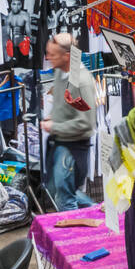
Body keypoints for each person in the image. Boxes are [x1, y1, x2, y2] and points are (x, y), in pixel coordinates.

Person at [43, 33, 97, 210]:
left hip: (72, 149)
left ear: (67, 56)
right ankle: (96, 211)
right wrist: (55, 117)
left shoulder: (81, 82)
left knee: (64, 197)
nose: (48, 58)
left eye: (53, 54)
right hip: (60, 143)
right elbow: (66, 105)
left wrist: (54, 126)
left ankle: (72, 234)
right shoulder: (60, 73)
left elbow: (86, 124)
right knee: (56, 190)